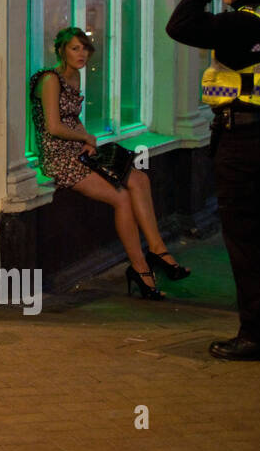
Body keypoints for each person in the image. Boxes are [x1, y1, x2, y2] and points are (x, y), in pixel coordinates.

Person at [167, 0, 260, 361]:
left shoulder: (246, 23)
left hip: (245, 144)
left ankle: (257, 336)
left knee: (247, 241)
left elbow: (179, 25)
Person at [30, 26, 186, 301]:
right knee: (121, 198)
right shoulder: (49, 79)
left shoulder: (75, 77)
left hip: (78, 148)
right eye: (75, 48)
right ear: (61, 50)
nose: (82, 54)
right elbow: (54, 126)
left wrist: (87, 141)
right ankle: (140, 270)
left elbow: (71, 117)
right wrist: (86, 136)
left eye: (85, 48)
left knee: (140, 179)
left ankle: (158, 249)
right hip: (58, 156)